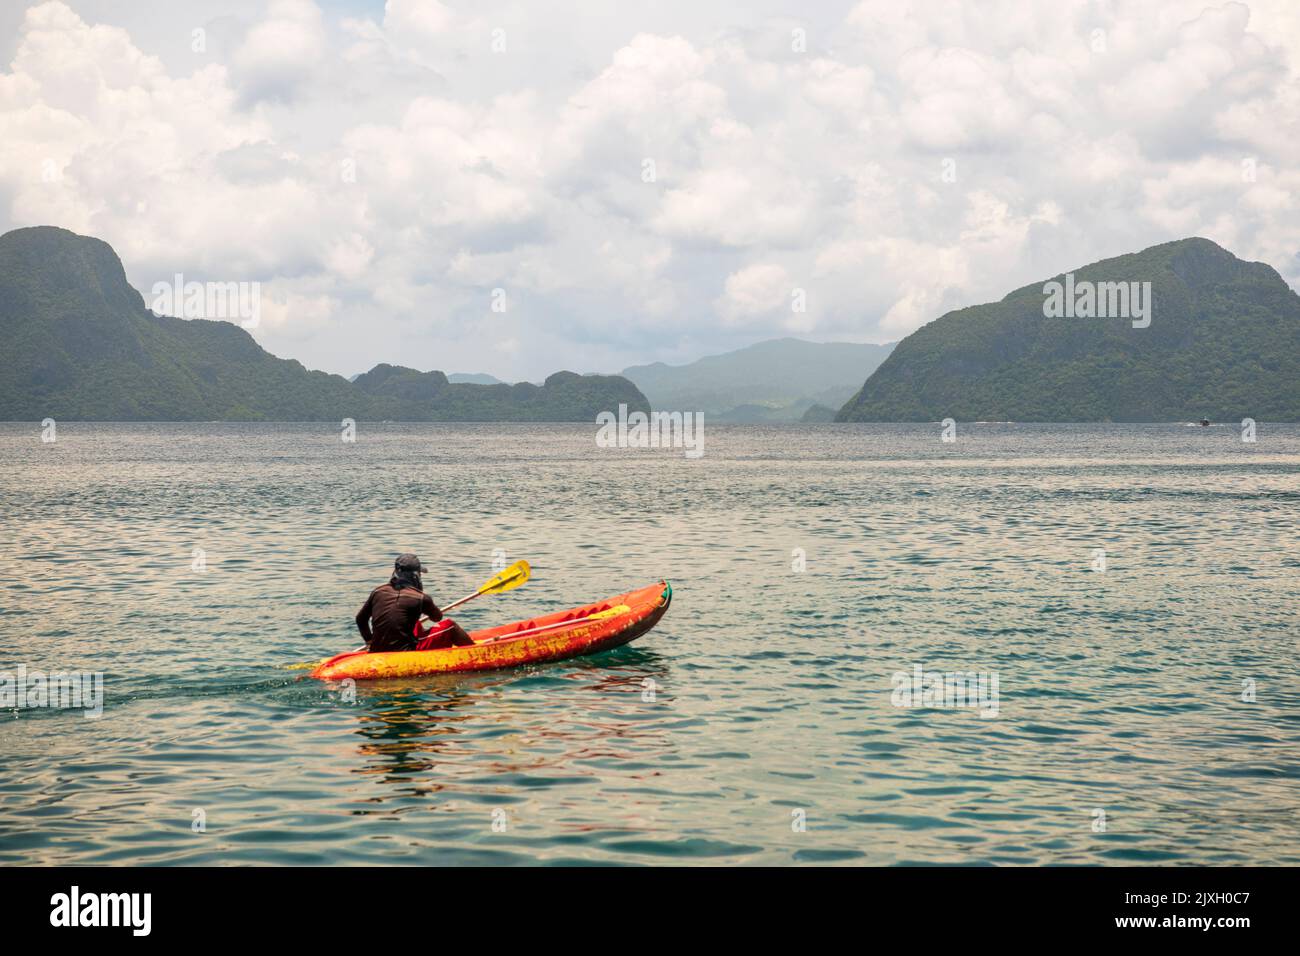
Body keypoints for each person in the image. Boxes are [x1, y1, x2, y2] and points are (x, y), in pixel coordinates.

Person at [356, 553, 475, 652]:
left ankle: (378, 646)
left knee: (415, 624)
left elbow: (360, 619)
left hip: (378, 649)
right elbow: (437, 618)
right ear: (415, 576)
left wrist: (369, 640)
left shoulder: (378, 591)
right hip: (407, 651)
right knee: (450, 626)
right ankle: (475, 651)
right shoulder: (421, 598)